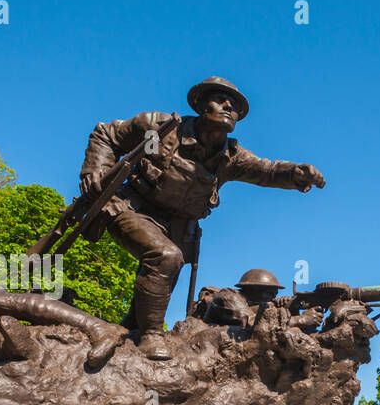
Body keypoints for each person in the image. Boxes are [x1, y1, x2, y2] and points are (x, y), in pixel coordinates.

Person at [78, 77, 325, 359]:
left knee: (162, 275)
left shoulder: (229, 157)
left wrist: (296, 174)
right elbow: (107, 135)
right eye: (220, 100)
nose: (228, 107)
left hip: (179, 226)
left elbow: (267, 171)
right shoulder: (159, 129)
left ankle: (128, 334)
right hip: (132, 207)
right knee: (165, 256)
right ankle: (151, 336)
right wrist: (94, 171)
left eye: (234, 107)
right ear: (200, 105)